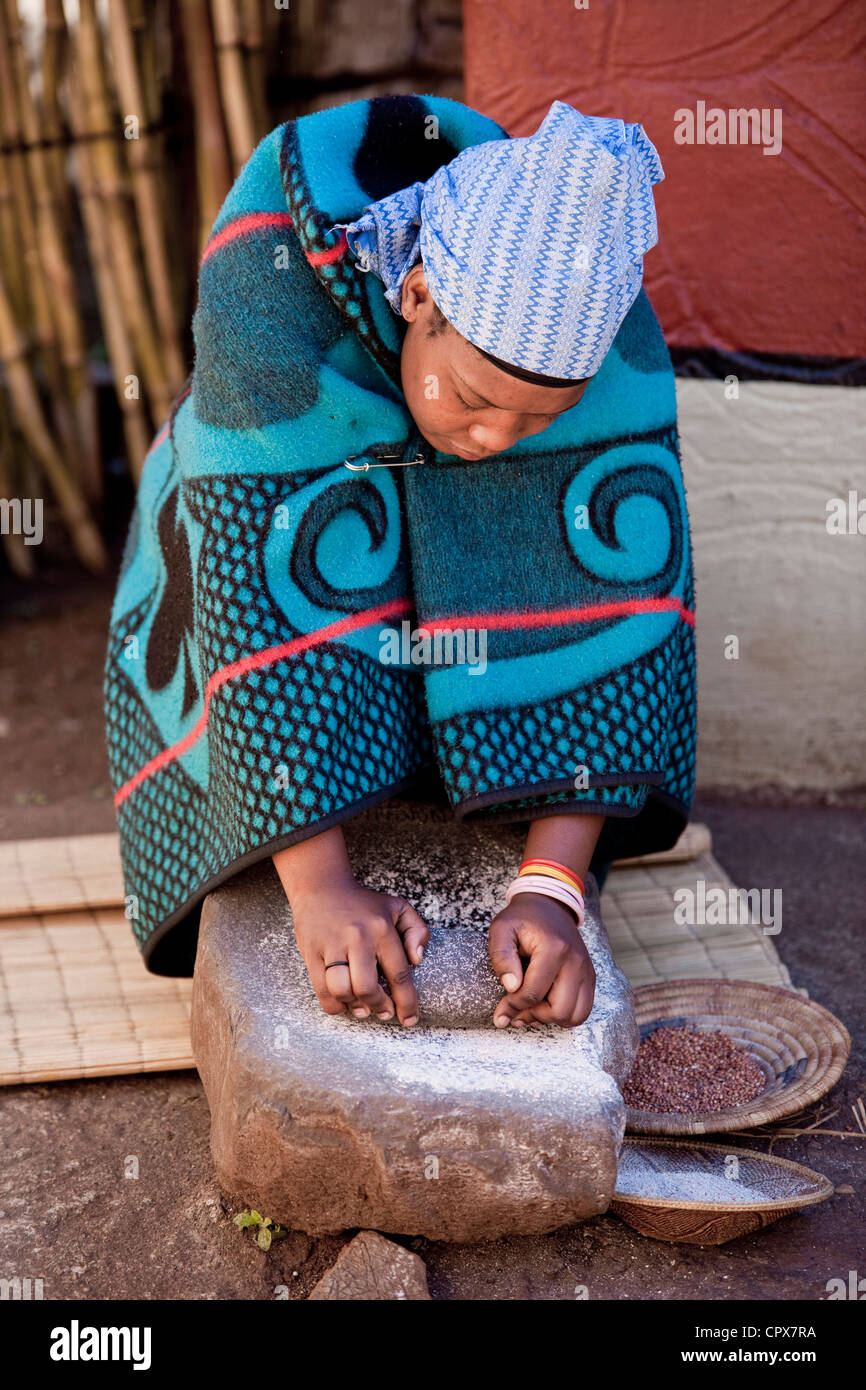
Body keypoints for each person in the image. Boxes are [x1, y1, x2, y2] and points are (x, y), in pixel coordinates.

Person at [104, 95, 696, 1034]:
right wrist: (321, 890)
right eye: (471, 395)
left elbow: (619, 604)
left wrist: (552, 891)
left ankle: (459, 762)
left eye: (540, 418)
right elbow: (249, 582)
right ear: (415, 292)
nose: (497, 435)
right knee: (299, 544)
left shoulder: (594, 323)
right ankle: (323, 789)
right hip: (261, 540)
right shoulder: (271, 284)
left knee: (551, 493)